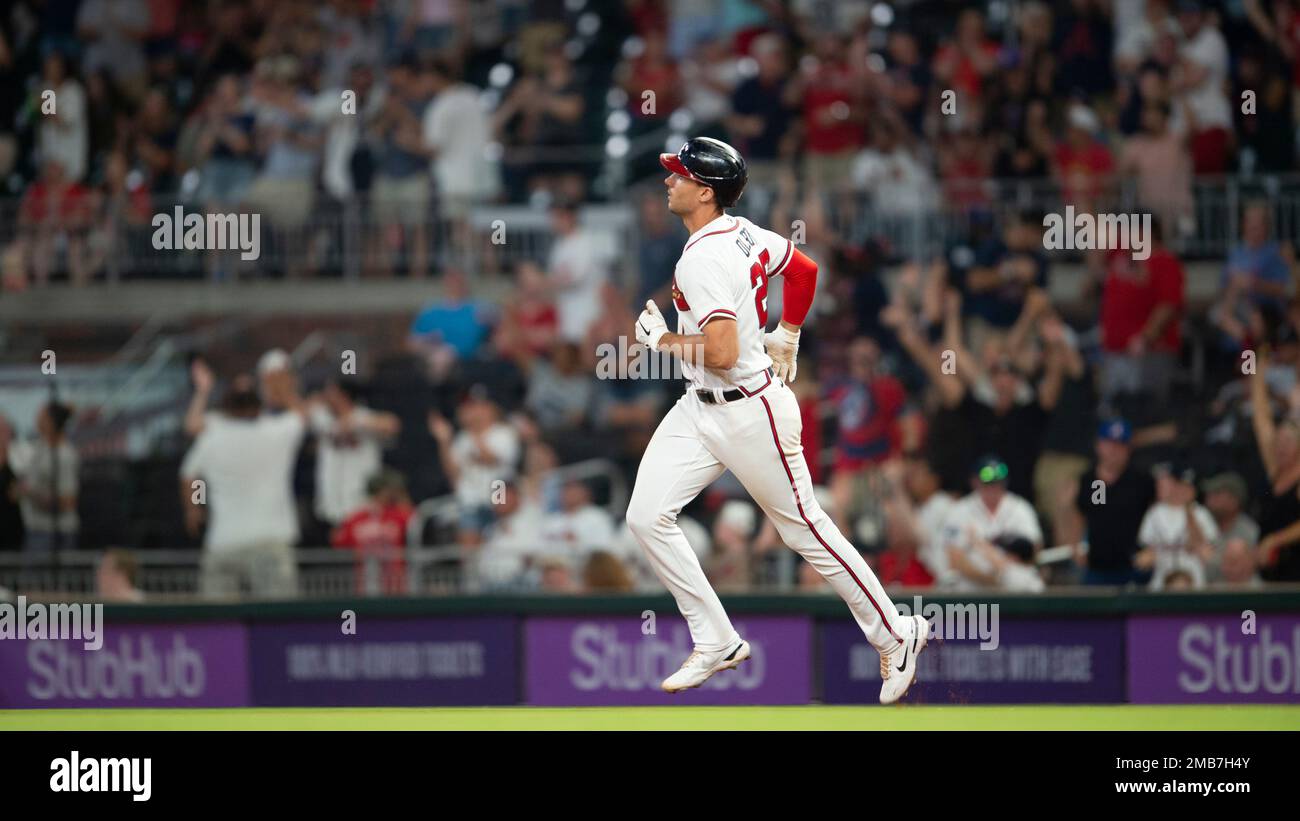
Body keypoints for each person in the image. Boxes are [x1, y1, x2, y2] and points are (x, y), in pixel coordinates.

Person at [626, 137, 928, 704]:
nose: (669, 180)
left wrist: (659, 339)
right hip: (702, 407)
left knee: (804, 527)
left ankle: (896, 632)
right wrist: (787, 334)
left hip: (750, 409)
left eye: (679, 174)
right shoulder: (743, 232)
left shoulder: (704, 256)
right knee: (646, 515)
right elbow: (805, 269)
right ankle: (714, 638)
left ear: (705, 191)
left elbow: (718, 350)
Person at [179, 366, 306, 599]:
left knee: (218, 625)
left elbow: (190, 473)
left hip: (223, 542)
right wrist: (281, 387)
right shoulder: (276, 431)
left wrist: (195, 507)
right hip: (270, 542)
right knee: (279, 621)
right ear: (259, 406)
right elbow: (301, 416)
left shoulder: (213, 435)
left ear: (226, 408)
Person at [937, 455, 1044, 591]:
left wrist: (989, 554)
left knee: (1030, 582)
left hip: (1013, 586)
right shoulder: (960, 510)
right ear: (975, 482)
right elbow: (954, 557)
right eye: (988, 483)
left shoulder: (1020, 507)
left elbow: (1033, 550)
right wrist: (992, 579)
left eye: (998, 483)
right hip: (970, 591)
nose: (993, 488)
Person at [308, 379, 401, 532]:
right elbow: (303, 410)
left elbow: (392, 424)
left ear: (343, 395)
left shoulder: (363, 417)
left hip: (361, 505)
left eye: (331, 392)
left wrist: (355, 422)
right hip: (330, 506)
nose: (326, 396)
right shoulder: (322, 418)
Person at [1073, 419, 1156, 585]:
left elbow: (1156, 514)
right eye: (1109, 444)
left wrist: (1152, 550)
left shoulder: (1141, 481)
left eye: (1120, 445)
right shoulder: (1091, 481)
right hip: (1096, 567)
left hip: (1134, 566)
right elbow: (1083, 513)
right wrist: (1077, 546)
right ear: (1098, 445)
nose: (1114, 451)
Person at [1135, 462, 1220, 590]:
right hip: (1162, 573)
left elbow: (1203, 547)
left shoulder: (1200, 512)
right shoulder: (1155, 512)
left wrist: (1188, 509)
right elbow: (1147, 550)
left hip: (1193, 573)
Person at [330, 469, 413, 595]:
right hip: (364, 585)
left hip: (397, 586)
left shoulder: (399, 515)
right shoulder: (355, 518)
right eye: (391, 490)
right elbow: (338, 544)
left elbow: (417, 527)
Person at [13, 401, 80, 554]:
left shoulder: (64, 456)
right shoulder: (41, 447)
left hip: (55, 533)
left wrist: (31, 494)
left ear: (51, 422)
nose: (37, 420)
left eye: (41, 417)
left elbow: (68, 501)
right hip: (36, 529)